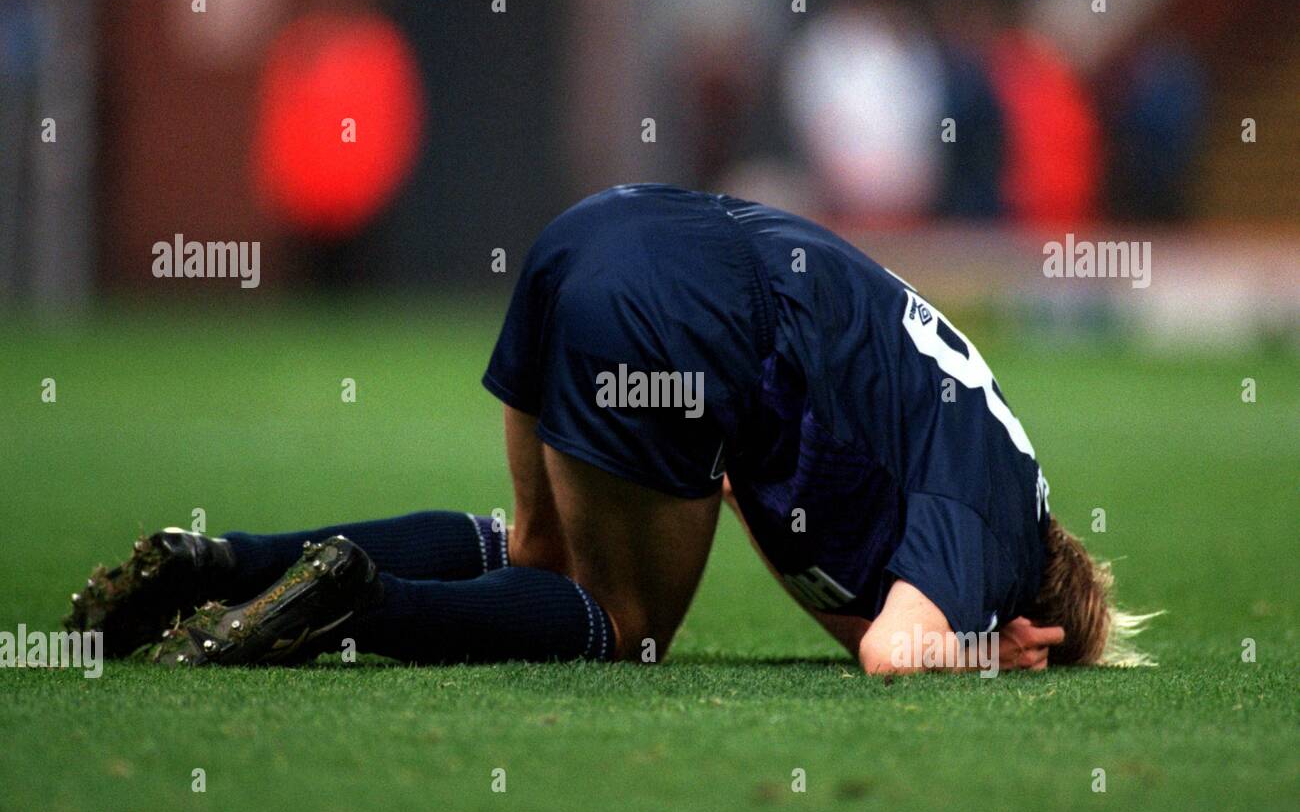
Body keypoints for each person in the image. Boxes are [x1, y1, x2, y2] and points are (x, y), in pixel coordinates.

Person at [63, 185, 1156, 673]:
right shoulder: (994, 521)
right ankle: (364, 599)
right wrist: (972, 651)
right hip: (683, 311)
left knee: (539, 557)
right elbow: (888, 651)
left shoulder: (961, 436)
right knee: (621, 625)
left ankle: (221, 560)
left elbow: (778, 492)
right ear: (1033, 622)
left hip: (597, 231)